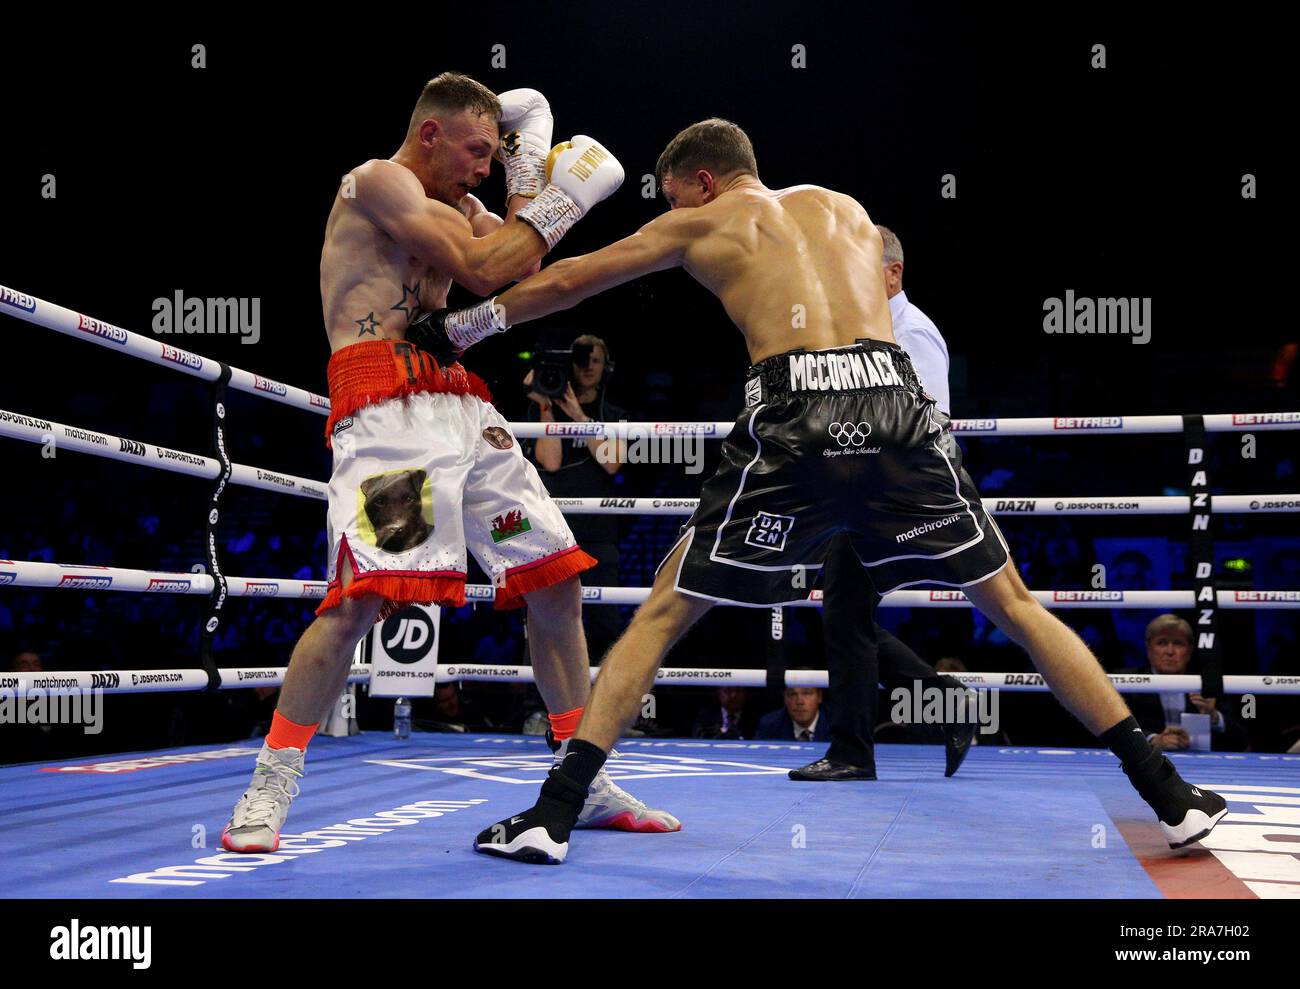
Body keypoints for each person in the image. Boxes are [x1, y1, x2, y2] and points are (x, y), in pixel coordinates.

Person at [431, 117, 1225, 863]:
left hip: (797, 406)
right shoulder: (846, 208)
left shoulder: (702, 221)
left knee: (666, 608)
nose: (671, 213)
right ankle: (1170, 792)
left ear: (702, 183)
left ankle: (554, 814)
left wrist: (460, 329)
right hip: (895, 399)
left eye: (673, 198)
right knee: (1014, 603)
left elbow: (570, 281)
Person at [220, 73, 678, 854]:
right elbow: (486, 269)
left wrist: (531, 175)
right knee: (361, 600)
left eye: (492, 156)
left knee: (554, 576)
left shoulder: (466, 209)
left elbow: (518, 271)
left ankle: (580, 773)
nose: (481, 169)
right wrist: (563, 197)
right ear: (429, 134)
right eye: (475, 152)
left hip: (465, 402)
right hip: (385, 410)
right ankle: (272, 778)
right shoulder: (377, 182)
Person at [794, 225, 973, 782]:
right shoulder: (858, 334)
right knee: (847, 615)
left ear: (891, 273)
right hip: (857, 493)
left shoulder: (913, 333)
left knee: (846, 614)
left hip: (895, 495)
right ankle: (947, 710)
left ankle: (855, 751)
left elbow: (931, 425)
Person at [524, 335, 627, 665]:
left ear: (606, 367)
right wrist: (544, 404)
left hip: (598, 532)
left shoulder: (613, 412)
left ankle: (609, 710)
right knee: (547, 618)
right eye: (582, 360)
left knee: (604, 622)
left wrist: (580, 417)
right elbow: (550, 462)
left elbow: (612, 462)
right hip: (554, 530)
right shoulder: (542, 408)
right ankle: (539, 712)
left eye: (595, 360)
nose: (588, 367)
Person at [1126, 615, 1248, 752]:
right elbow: (1111, 729)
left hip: (1203, 766)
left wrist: (1214, 716)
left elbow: (1243, 740)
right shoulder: (1127, 683)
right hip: (1146, 762)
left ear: (1190, 651)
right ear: (1148, 649)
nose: (1170, 651)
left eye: (1178, 643)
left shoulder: (1209, 684)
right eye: (1162, 643)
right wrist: (1152, 740)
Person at [756, 684, 831, 741]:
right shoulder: (770, 725)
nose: (799, 702)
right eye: (792, 694)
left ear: (819, 696)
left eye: (807, 693)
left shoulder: (835, 724)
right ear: (784, 698)